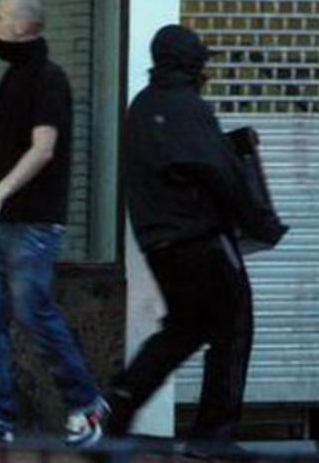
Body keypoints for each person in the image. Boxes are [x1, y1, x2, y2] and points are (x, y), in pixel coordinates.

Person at [0, 0, 106, 445]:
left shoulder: (48, 79)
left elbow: (44, 148)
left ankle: (86, 404)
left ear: (20, 26)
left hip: (33, 221)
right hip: (5, 221)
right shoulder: (12, 79)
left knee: (33, 312)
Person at [105, 24, 273, 448]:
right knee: (233, 329)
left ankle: (122, 400)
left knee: (184, 328)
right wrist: (258, 221)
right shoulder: (187, 107)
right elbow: (217, 171)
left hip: (159, 241)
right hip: (202, 239)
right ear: (191, 62)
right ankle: (214, 436)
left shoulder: (143, 106)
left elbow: (174, 164)